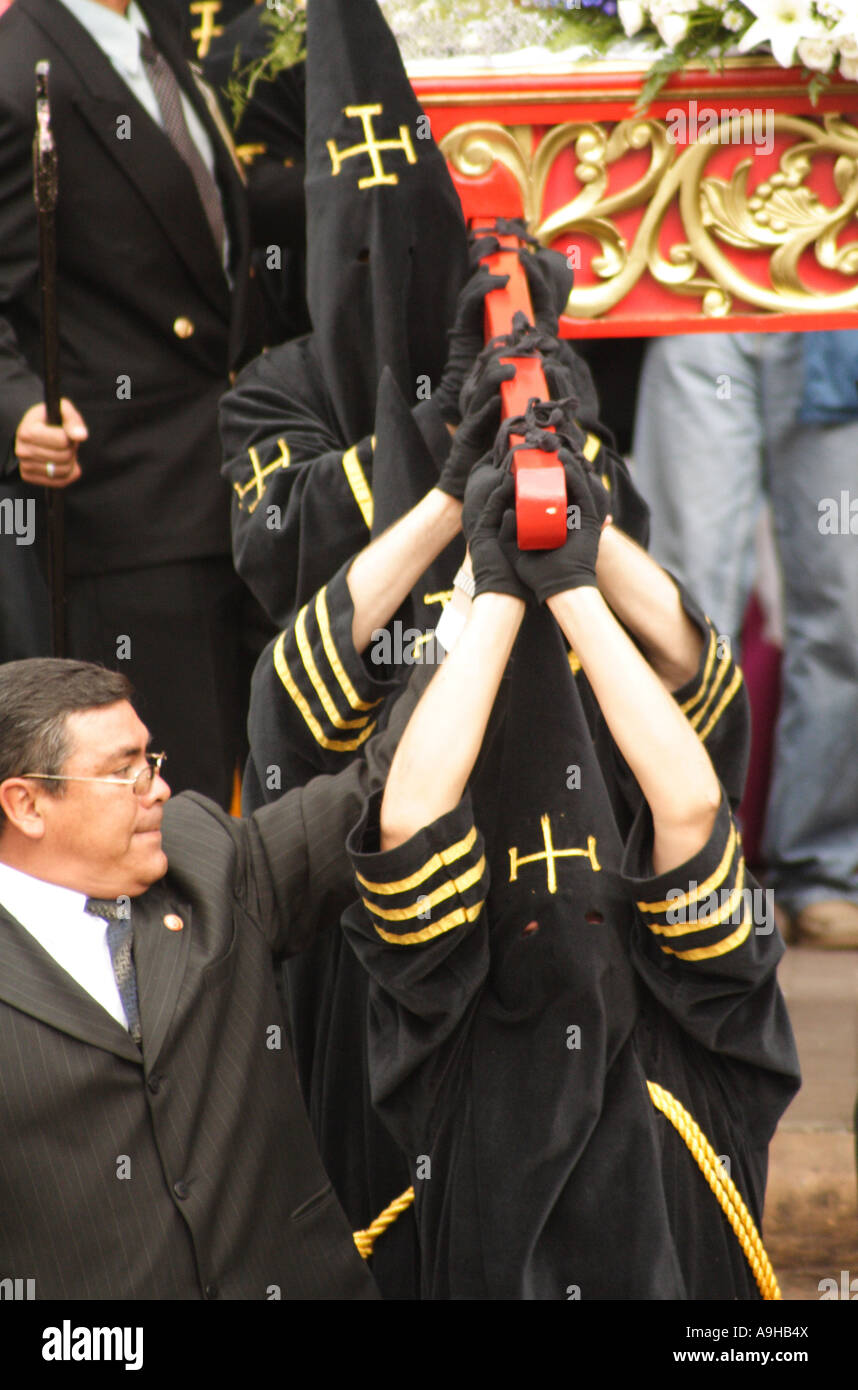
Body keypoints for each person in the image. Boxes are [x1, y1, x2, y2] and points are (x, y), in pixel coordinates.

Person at [341, 414, 801, 1299]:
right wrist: (508, 594)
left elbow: (692, 802)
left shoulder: (699, 1035)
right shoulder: (450, 1047)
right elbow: (411, 816)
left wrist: (571, 581)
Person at [0, 654, 437, 1299]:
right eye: (124, 773)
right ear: (26, 804)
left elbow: (380, 789)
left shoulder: (203, 854)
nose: (158, 789)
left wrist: (471, 619)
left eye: (151, 762)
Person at [0, 0, 268, 804]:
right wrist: (17, 416)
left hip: (232, 487)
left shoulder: (155, 31)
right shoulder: (18, 78)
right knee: (174, 821)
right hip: (131, 520)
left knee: (260, 804)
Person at [632, 330, 858, 949]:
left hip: (836, 307)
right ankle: (691, 861)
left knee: (848, 616)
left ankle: (825, 871)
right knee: (684, 610)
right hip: (692, 296)